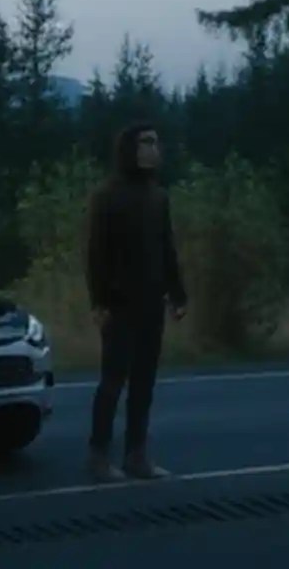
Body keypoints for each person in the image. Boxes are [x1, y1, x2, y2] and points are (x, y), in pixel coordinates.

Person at [84, 121, 187, 482]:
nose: (153, 149)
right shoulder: (108, 195)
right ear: (130, 148)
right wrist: (99, 301)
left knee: (145, 382)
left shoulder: (158, 197)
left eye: (155, 143)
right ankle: (98, 455)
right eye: (145, 142)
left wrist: (178, 295)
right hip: (118, 303)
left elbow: (167, 248)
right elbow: (96, 253)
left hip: (150, 300)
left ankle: (136, 454)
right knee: (113, 380)